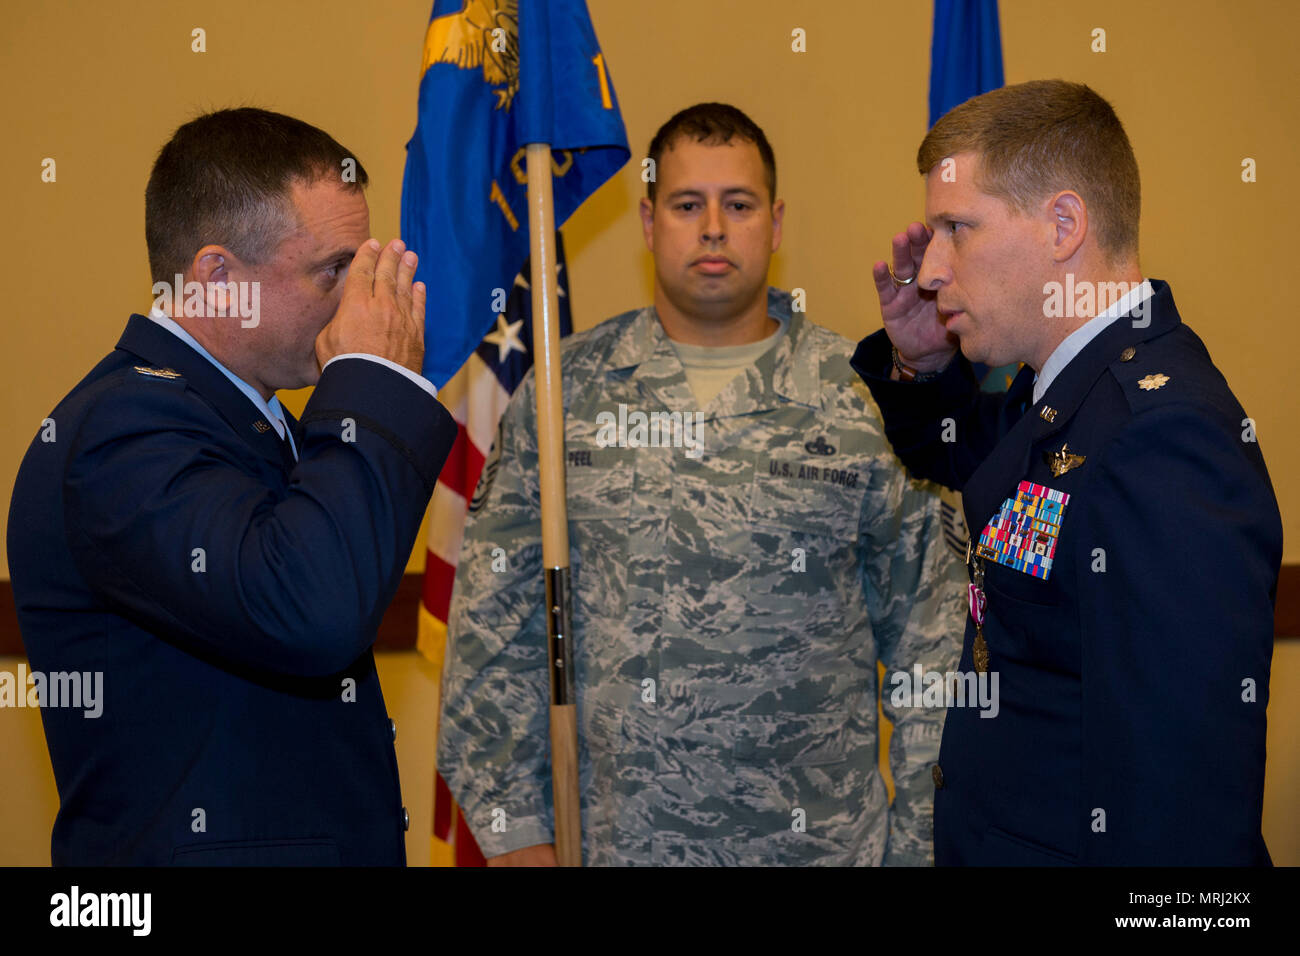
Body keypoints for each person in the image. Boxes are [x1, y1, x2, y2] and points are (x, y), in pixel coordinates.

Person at [438, 102, 966, 866]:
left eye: (738, 204)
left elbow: (933, 650)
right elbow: (494, 637)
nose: (713, 227)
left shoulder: (867, 397)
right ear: (649, 223)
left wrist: (920, 849)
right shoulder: (563, 398)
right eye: (688, 205)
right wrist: (520, 841)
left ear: (775, 224)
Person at [7, 108, 456, 865]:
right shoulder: (125, 429)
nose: (359, 301)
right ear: (218, 279)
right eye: (331, 270)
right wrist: (373, 380)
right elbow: (313, 608)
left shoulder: (240, 416)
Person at [852, 80, 1281, 865]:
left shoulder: (1163, 436)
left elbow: (1181, 815)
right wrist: (919, 361)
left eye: (958, 229)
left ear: (1062, 225)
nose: (932, 270)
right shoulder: (1055, 389)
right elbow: (954, 455)